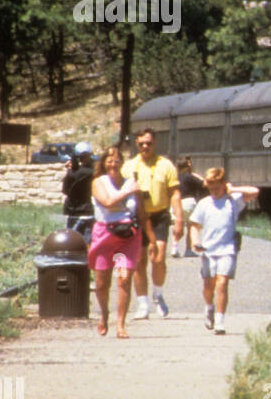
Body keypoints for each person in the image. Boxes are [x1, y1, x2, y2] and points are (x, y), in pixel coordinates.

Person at [88, 145, 153, 338]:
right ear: (104, 163)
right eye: (109, 160)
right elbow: (108, 202)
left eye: (117, 161)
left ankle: (121, 324)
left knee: (124, 279)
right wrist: (128, 191)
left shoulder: (131, 184)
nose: (113, 164)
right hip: (104, 235)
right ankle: (104, 314)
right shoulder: (99, 182)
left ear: (121, 163)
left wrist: (153, 240)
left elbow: (141, 214)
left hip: (127, 237)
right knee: (101, 283)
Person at [189, 168, 260, 335]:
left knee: (222, 283)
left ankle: (220, 321)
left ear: (223, 184)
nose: (213, 189)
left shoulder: (232, 201)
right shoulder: (204, 203)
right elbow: (194, 226)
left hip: (227, 249)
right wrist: (195, 241)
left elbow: (255, 191)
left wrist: (233, 189)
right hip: (207, 250)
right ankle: (209, 308)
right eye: (210, 186)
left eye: (216, 186)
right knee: (209, 285)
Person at [121, 128, 183, 319]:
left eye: (148, 143)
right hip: (137, 217)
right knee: (139, 261)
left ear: (154, 143)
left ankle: (158, 294)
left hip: (159, 216)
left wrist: (179, 218)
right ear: (136, 144)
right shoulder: (129, 166)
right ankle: (142, 304)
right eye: (141, 144)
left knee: (158, 257)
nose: (145, 147)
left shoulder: (166, 165)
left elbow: (175, 193)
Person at [174, 157, 205, 258]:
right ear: (188, 166)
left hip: (176, 203)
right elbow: (203, 184)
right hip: (189, 203)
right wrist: (197, 176)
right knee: (191, 226)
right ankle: (188, 249)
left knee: (178, 226)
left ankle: (174, 247)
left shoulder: (175, 177)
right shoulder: (189, 176)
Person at [62, 143, 95, 237]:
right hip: (86, 211)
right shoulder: (90, 172)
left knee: (72, 241)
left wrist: (70, 169)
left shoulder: (71, 173)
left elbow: (65, 190)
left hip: (72, 211)